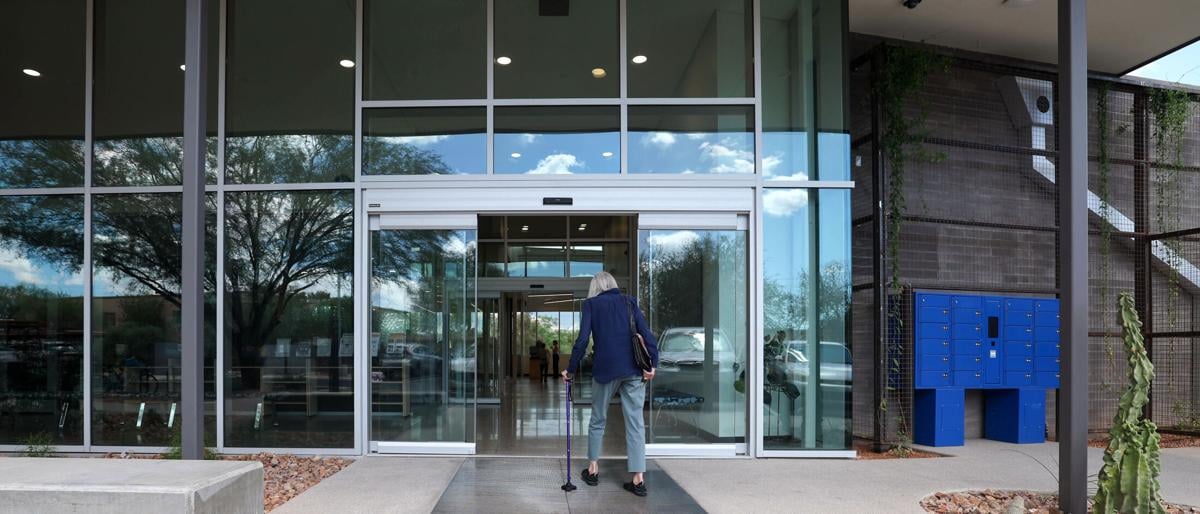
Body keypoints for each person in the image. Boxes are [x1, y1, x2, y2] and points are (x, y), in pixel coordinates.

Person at [562, 271, 658, 497]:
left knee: (597, 420)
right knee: (635, 423)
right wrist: (652, 363)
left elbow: (583, 340)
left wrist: (571, 369)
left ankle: (593, 470)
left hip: (605, 370)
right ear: (613, 284)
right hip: (634, 369)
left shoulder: (591, 305)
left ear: (595, 287)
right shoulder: (629, 302)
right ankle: (638, 479)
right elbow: (646, 333)